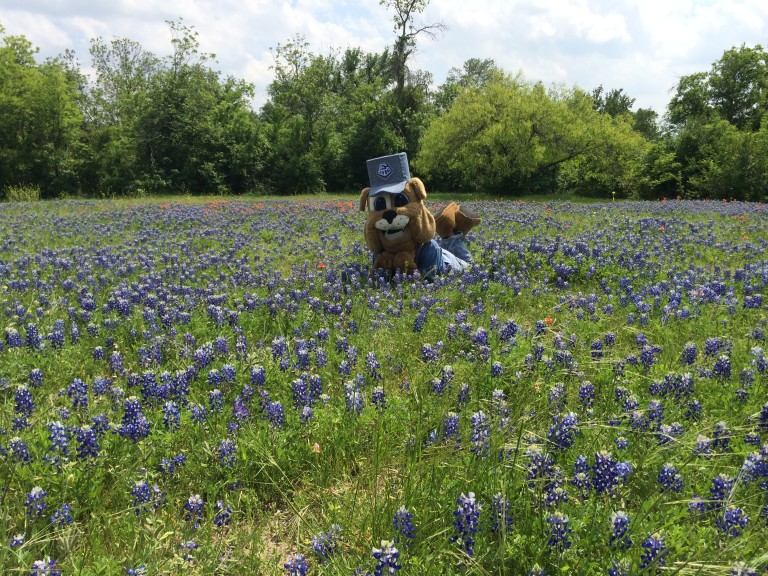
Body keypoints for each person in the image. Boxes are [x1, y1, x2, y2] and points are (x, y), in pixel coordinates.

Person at [364, 152, 480, 279]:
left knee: (470, 267)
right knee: (441, 249)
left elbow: (428, 281)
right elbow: (382, 278)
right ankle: (446, 230)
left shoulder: (429, 248)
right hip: (434, 253)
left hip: (450, 265)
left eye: (400, 201)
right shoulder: (381, 251)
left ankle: (451, 235)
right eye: (380, 204)